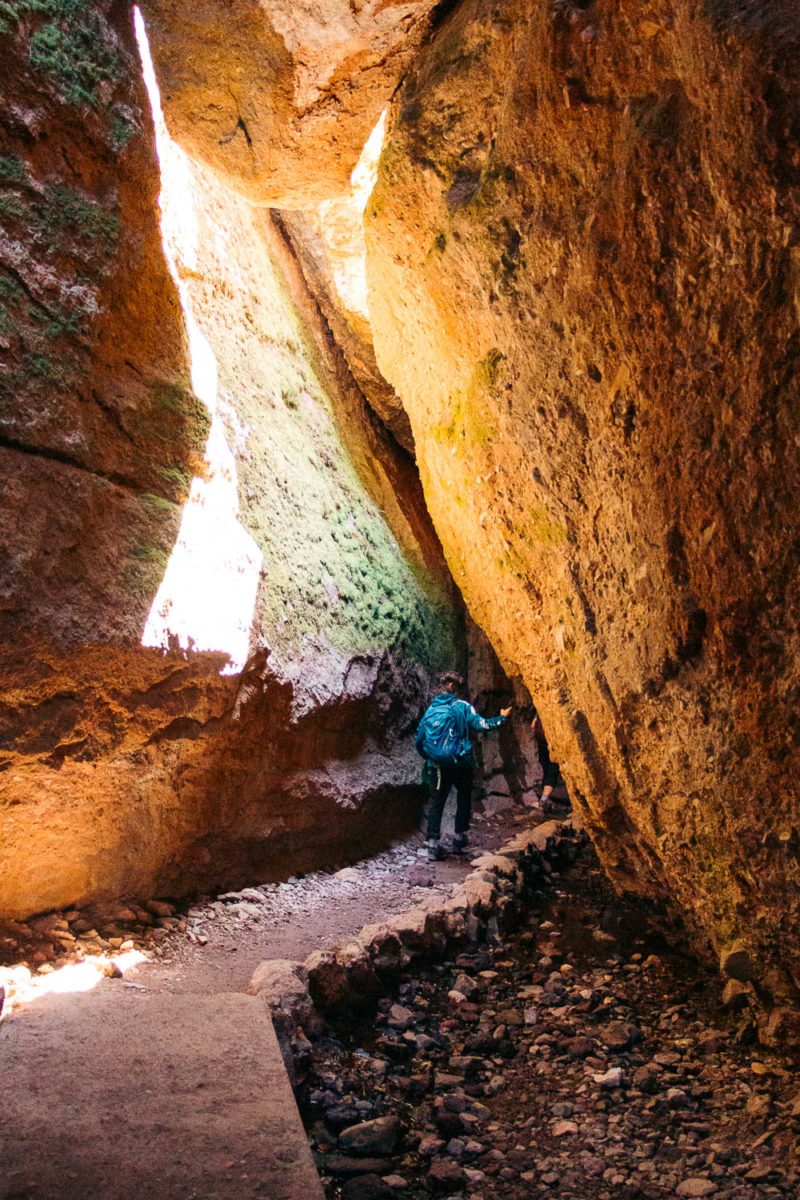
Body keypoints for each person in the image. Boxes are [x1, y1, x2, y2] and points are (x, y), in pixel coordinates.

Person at [416, 671, 512, 860]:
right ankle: (459, 838)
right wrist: (502, 717)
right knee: (463, 797)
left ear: (441, 687)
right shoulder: (462, 706)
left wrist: (430, 757)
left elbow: (419, 739)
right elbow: (483, 724)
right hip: (461, 763)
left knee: (437, 802)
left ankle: (433, 844)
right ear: (455, 688)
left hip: (437, 765)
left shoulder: (431, 710)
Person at [531, 707, 560, 810]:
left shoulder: (539, 711)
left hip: (542, 742)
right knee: (552, 771)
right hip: (552, 743)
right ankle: (543, 800)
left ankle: (544, 800)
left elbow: (533, 725)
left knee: (547, 770)